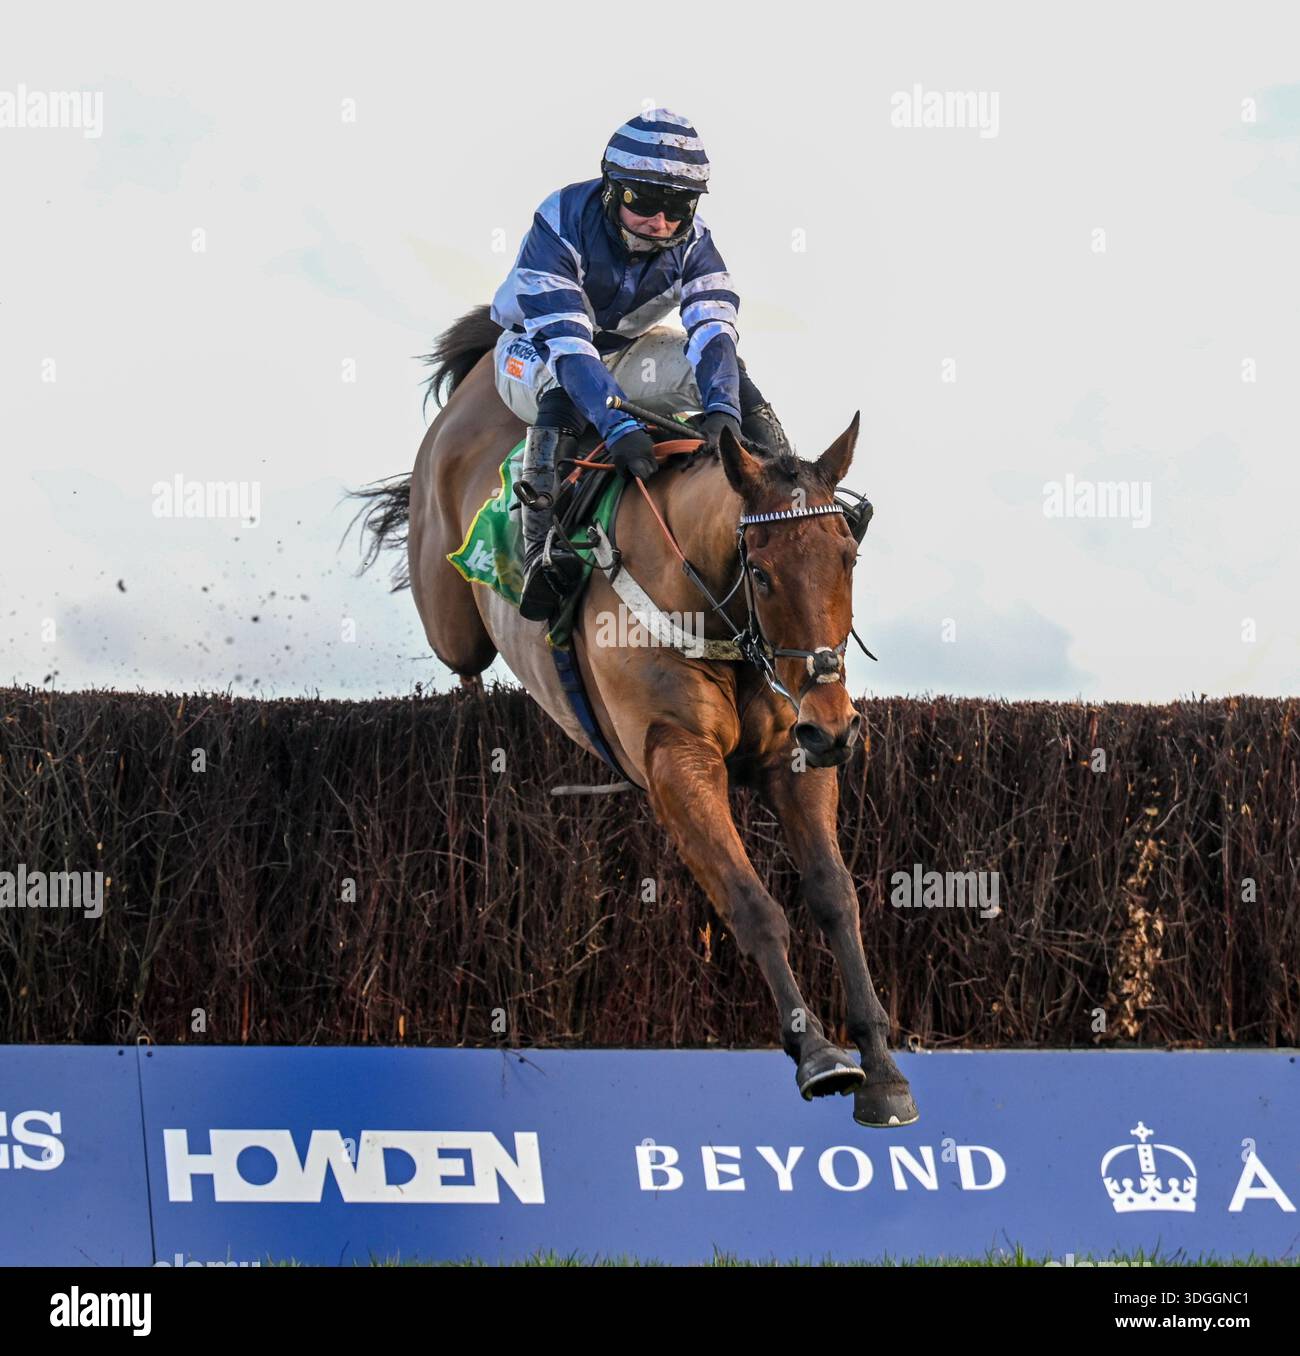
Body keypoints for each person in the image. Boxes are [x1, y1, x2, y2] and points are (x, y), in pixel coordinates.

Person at [489, 107, 791, 620]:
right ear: (612, 188)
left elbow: (715, 328)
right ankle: (541, 548)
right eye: (645, 201)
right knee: (564, 388)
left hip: (626, 348)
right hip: (533, 347)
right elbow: (567, 344)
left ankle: (796, 507)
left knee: (734, 379)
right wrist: (616, 425)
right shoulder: (560, 219)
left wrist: (724, 409)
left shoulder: (695, 243)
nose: (661, 221)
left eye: (678, 206)